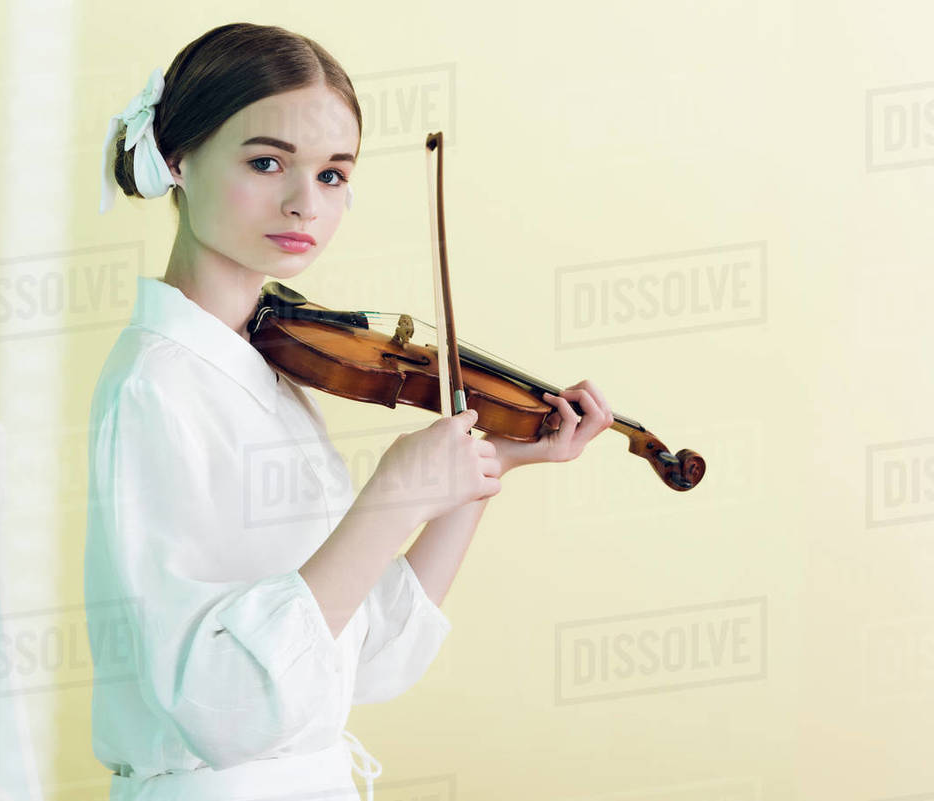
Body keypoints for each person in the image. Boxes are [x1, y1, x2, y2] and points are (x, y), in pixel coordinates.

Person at [83, 22, 614, 801]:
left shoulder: (269, 366)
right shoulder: (156, 388)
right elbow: (223, 709)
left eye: (333, 174)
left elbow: (361, 657)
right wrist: (392, 496)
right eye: (267, 162)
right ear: (177, 159)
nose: (306, 204)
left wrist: (485, 466)